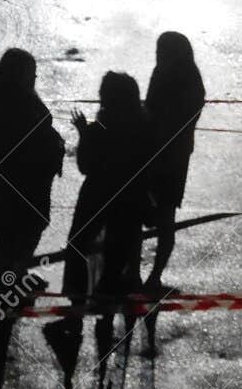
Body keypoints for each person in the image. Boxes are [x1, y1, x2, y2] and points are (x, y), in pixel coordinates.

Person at [45, 72, 153, 355]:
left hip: (96, 196)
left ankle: (75, 315)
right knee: (115, 255)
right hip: (128, 200)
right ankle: (107, 315)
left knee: (80, 249)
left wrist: (83, 133)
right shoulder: (143, 126)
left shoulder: (100, 127)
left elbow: (86, 166)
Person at [0, 49, 64, 314]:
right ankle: (10, 285)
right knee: (22, 232)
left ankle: (12, 280)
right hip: (25, 179)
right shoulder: (17, 103)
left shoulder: (6, 98)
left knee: (12, 233)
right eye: (31, 72)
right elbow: (28, 141)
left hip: (14, 179)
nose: (35, 76)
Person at [143, 31, 206, 296]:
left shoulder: (168, 77)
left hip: (162, 157)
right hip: (173, 157)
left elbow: (153, 114)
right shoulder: (190, 80)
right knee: (164, 217)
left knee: (157, 215)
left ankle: (148, 275)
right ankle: (152, 277)